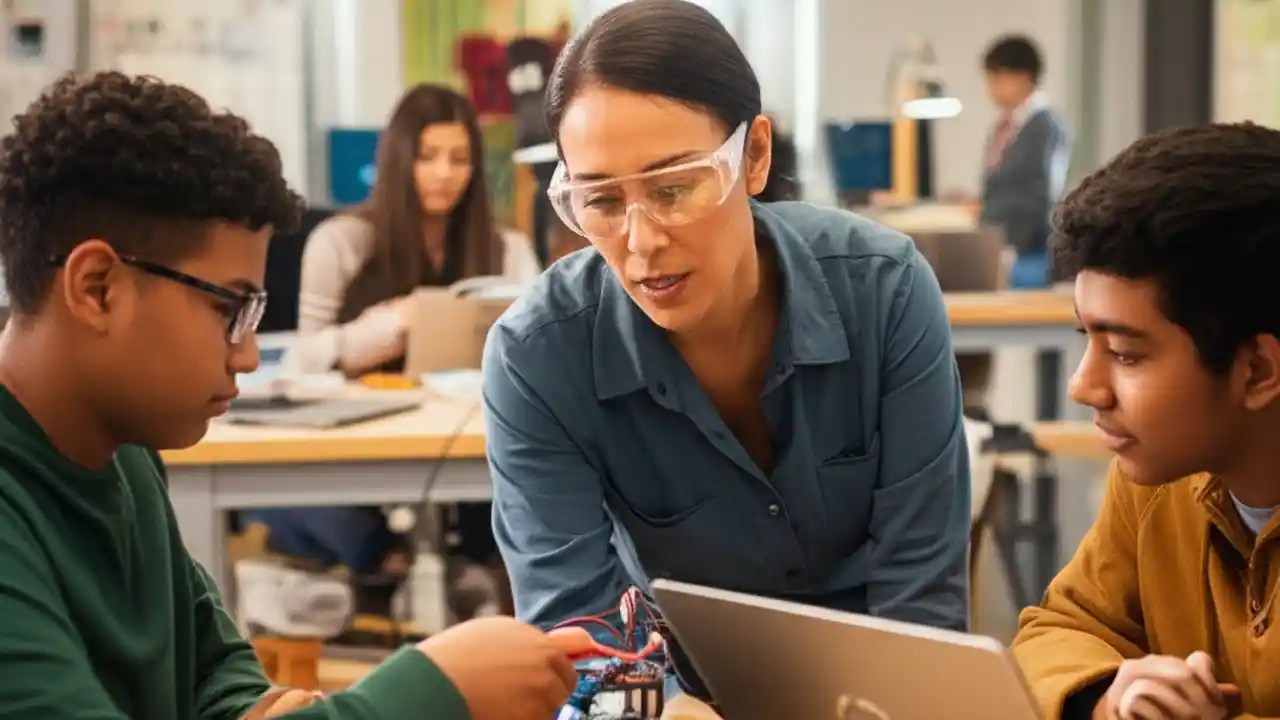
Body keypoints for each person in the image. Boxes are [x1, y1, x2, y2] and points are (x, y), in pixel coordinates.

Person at [0, 70, 574, 720]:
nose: (247, 353)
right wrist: (430, 690)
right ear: (98, 287)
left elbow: (217, 680)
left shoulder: (122, 455)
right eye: (232, 309)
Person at [483, 0, 971, 701]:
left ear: (756, 155)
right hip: (673, 694)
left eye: (675, 188)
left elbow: (921, 602)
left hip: (873, 691)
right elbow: (582, 634)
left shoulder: (884, 291)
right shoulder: (537, 356)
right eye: (602, 201)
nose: (642, 242)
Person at [1012, 123, 1280, 720]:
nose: (1084, 386)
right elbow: (1060, 627)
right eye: (1088, 336)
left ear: (1258, 370)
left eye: (1127, 354)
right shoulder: (1156, 475)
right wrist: (1107, 694)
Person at [251, 84, 540, 595]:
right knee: (299, 507)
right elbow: (305, 358)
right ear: (399, 159)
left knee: (527, 497)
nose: (444, 173)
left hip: (474, 439)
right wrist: (394, 324)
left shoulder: (506, 248)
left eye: (459, 158)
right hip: (361, 447)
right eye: (428, 157)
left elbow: (542, 348)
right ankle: (401, 570)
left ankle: (462, 578)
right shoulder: (342, 240)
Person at [979, 34, 1069, 288]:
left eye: (996, 78)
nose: (990, 89)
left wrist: (1010, 249)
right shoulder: (1006, 126)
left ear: (1020, 77)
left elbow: (1041, 196)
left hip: (1027, 253)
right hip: (1001, 246)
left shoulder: (1046, 128)